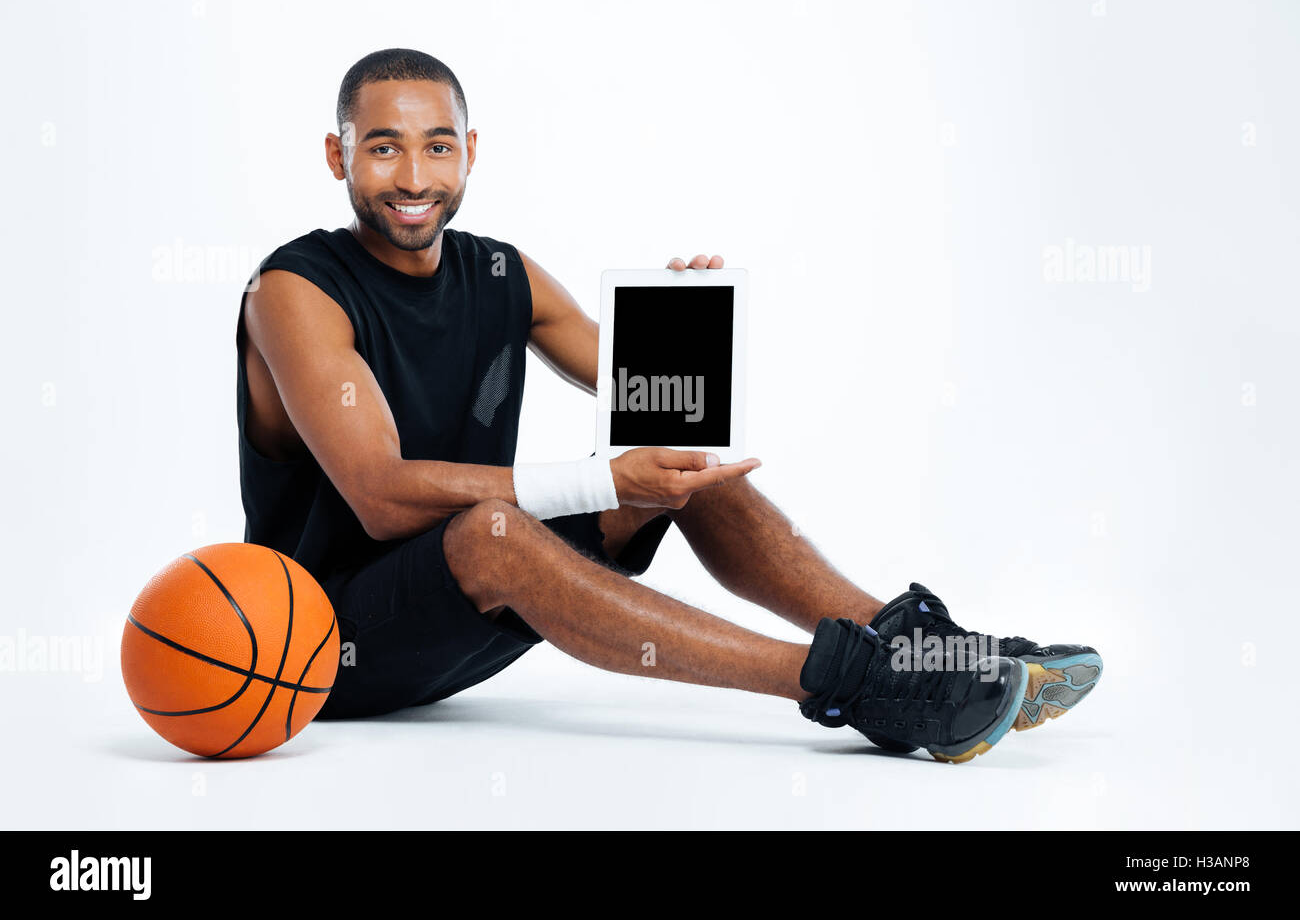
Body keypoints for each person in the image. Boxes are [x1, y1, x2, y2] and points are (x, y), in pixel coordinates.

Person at [236, 48, 1102, 764]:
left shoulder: (499, 272)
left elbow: (649, 394)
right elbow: (381, 498)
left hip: (472, 614)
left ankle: (907, 640)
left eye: (437, 146)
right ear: (336, 154)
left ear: (471, 151)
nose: (413, 175)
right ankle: (849, 681)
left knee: (688, 471)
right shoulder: (296, 289)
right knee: (494, 530)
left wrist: (686, 338)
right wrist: (595, 479)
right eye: (383, 147)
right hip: (327, 648)